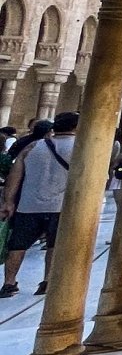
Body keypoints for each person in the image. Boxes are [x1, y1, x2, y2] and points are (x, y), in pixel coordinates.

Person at [0, 114, 75, 298]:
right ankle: (47, 281)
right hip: (60, 206)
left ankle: (9, 283)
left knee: (17, 246)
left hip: (28, 204)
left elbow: (14, 177)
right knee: (54, 245)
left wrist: (8, 202)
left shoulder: (32, 147)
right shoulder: (79, 147)